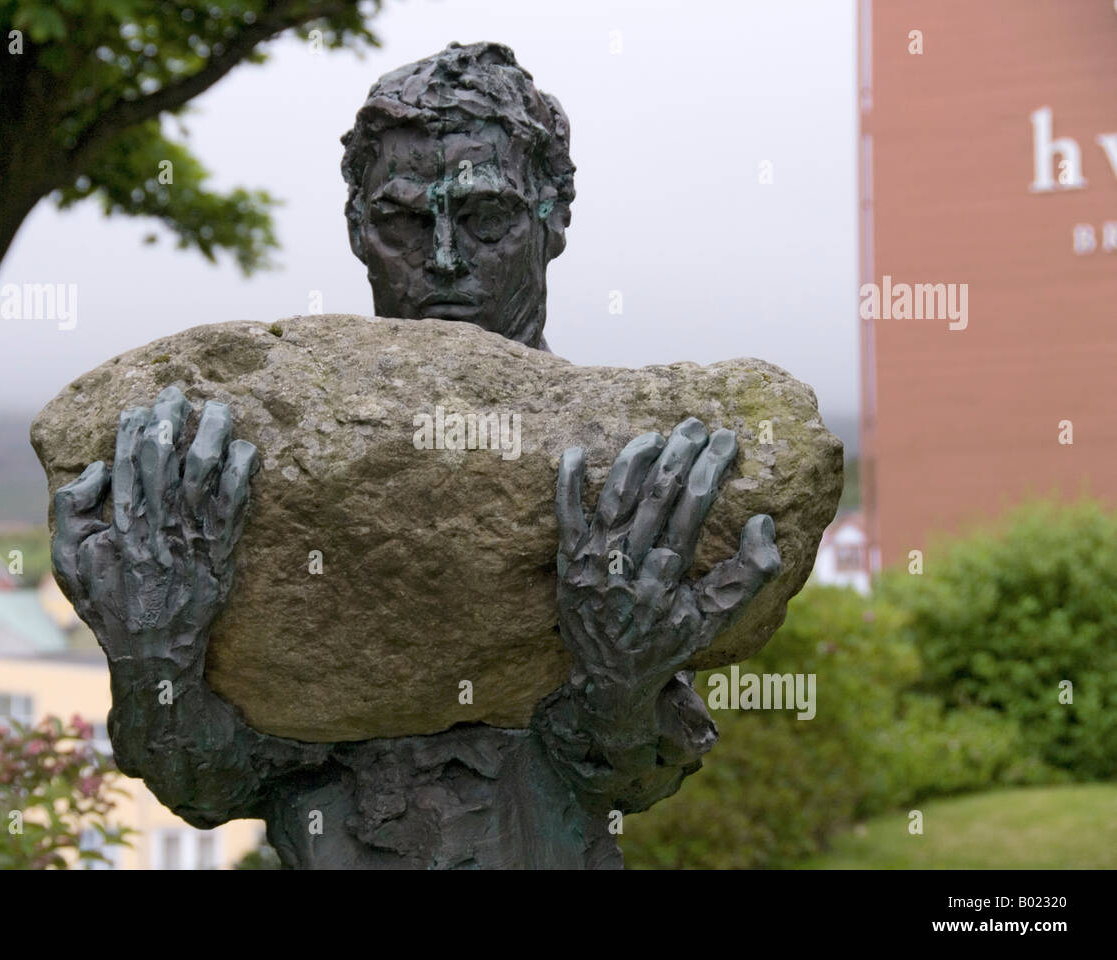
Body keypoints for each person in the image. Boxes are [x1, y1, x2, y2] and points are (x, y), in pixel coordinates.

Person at [51, 42, 779, 869]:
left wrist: (624, 681)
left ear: (555, 214)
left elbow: (634, 776)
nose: (440, 259)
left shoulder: (624, 475)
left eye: (485, 220)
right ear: (359, 229)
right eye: (402, 222)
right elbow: (209, 788)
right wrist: (156, 656)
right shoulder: (265, 465)